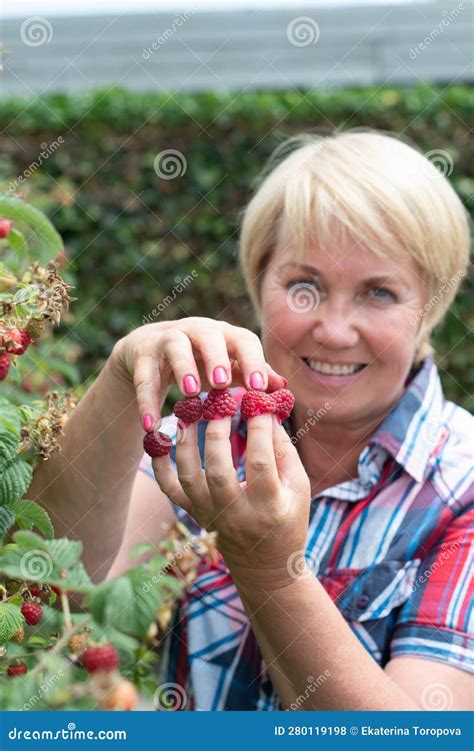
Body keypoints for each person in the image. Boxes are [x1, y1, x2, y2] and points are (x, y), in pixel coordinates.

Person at [29, 130, 473, 711]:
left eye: (380, 293)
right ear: (259, 284)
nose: (335, 330)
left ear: (431, 306)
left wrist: (271, 571)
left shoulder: (459, 487)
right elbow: (54, 586)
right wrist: (119, 382)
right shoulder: (216, 430)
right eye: (305, 286)